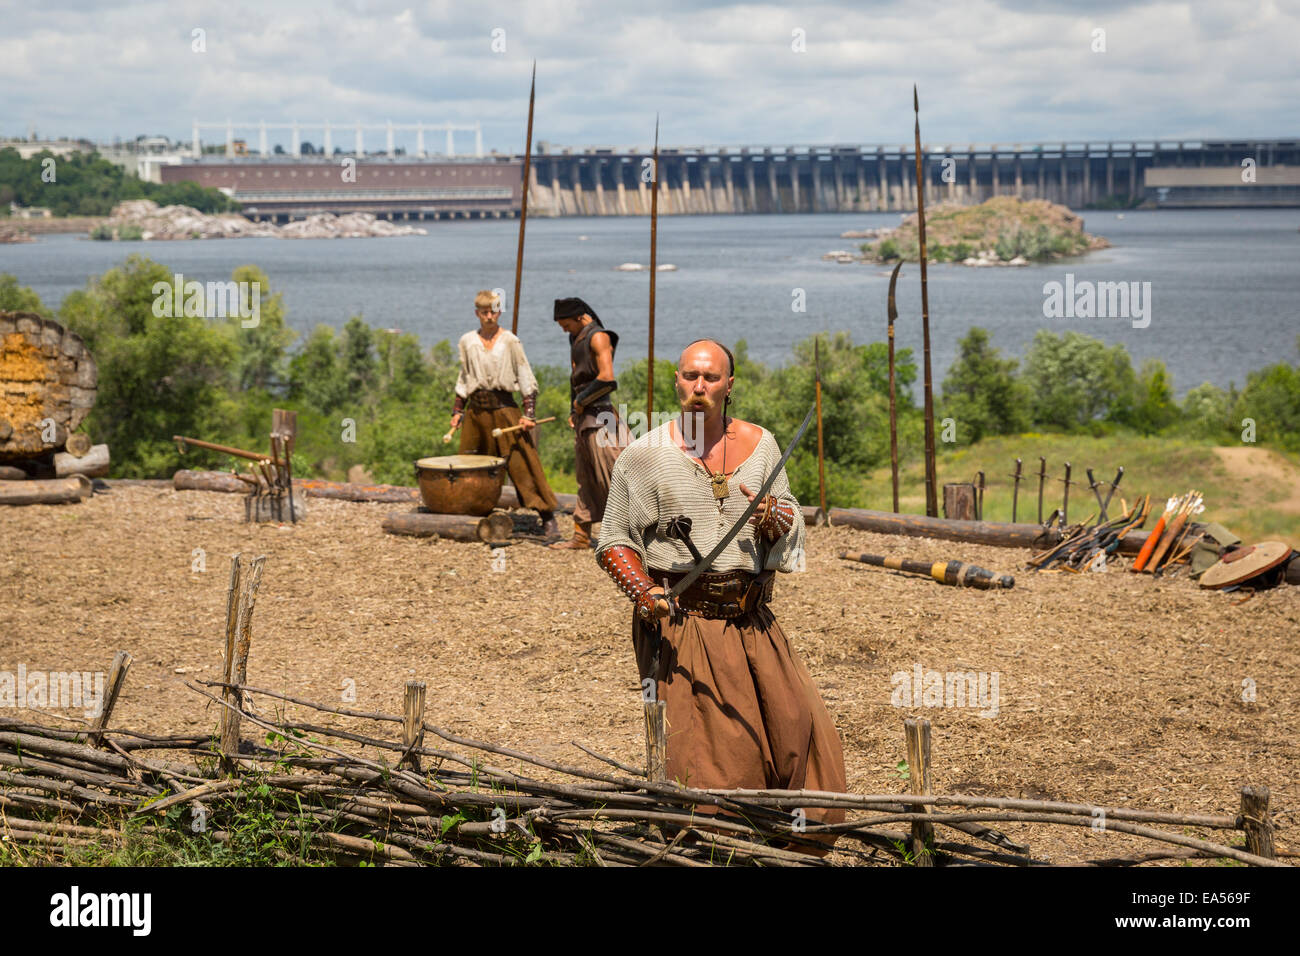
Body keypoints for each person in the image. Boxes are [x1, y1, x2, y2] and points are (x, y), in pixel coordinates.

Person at [594, 338, 847, 853]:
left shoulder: (763, 446)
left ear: (729, 385)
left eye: (710, 377)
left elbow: (789, 513)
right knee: (716, 753)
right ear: (677, 381)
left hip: (754, 620)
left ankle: (794, 844)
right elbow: (614, 539)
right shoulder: (646, 456)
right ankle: (719, 850)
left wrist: (778, 519)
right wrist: (643, 591)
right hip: (684, 624)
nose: (699, 386)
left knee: (796, 727)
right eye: (690, 376)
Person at [448, 290, 560, 540]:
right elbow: (464, 378)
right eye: (484, 312)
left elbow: (525, 376)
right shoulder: (467, 341)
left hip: (505, 410)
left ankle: (547, 517)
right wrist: (458, 411)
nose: (489, 316)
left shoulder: (510, 341)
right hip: (475, 412)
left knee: (522, 462)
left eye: (493, 312)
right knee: (471, 463)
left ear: (499, 312)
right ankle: (473, 512)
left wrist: (528, 413)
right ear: (477, 313)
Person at [550, 297, 631, 550]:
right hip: (585, 419)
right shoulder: (577, 339)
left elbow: (607, 379)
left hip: (602, 420)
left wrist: (581, 402)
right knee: (585, 477)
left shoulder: (598, 337)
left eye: (565, 324)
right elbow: (577, 379)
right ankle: (581, 535)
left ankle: (632, 536)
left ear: (580, 317)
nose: (564, 330)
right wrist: (574, 410)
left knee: (616, 475)